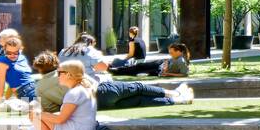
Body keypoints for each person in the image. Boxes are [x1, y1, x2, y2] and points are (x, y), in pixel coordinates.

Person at [31, 51, 192, 115]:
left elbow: (49, 108)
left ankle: (178, 99)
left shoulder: (39, 87)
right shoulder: (65, 70)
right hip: (101, 91)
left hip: (94, 106)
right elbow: (88, 82)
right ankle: (175, 94)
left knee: (139, 101)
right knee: (139, 88)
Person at [29, 60, 99, 130]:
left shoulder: (74, 93)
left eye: (59, 73)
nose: (57, 76)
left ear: (69, 75)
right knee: (41, 121)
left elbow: (61, 119)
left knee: (36, 117)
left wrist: (37, 114)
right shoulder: (83, 89)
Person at [0, 31, 35, 103]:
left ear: (19, 50)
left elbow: (12, 83)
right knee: (35, 113)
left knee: (38, 112)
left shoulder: (22, 58)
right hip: (26, 93)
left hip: (35, 89)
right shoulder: (1, 62)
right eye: (9, 53)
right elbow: (1, 89)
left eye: (15, 52)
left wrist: (6, 99)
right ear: (4, 50)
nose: (12, 55)